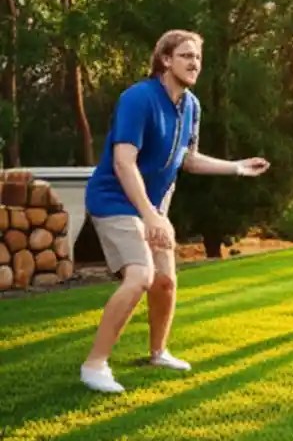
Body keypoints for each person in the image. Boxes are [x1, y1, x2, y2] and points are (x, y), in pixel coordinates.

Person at [80, 29, 271, 394]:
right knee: (140, 276)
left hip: (151, 206)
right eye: (185, 55)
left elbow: (188, 159)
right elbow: (123, 162)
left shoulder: (191, 106)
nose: (194, 63)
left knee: (165, 281)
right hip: (114, 200)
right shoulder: (138, 98)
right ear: (165, 60)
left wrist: (236, 167)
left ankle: (158, 353)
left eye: (197, 57)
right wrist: (151, 216)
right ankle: (94, 364)